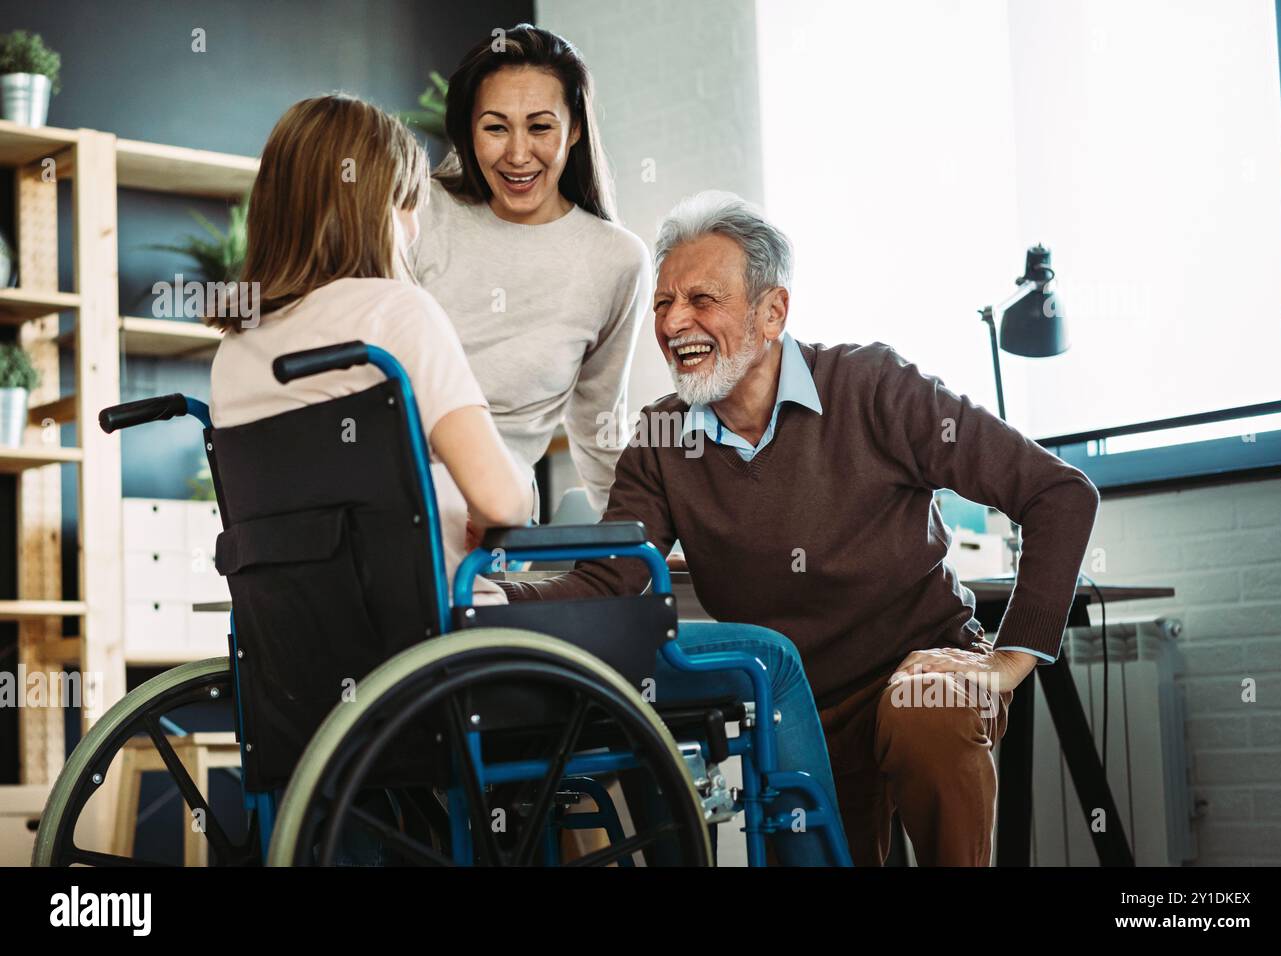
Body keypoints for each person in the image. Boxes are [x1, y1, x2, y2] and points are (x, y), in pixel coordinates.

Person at [500, 190, 1102, 866]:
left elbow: (1059, 494)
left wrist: (1006, 663)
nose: (674, 322)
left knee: (925, 707)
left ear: (772, 312)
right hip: (790, 707)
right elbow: (611, 579)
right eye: (664, 303)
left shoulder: (872, 387)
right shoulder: (663, 437)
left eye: (702, 300)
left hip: (919, 666)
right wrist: (496, 601)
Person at [209, 93, 533, 605]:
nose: (414, 227)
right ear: (372, 208)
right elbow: (500, 503)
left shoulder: (235, 350)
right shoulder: (397, 313)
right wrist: (517, 493)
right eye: (406, 204)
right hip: (439, 637)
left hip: (304, 642)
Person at [414, 23, 648, 520]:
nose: (518, 154)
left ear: (576, 128)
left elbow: (599, 425)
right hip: (388, 490)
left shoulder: (616, 260)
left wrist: (634, 544)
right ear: (467, 131)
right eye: (495, 128)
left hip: (492, 516)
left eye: (540, 127)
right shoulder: (419, 212)